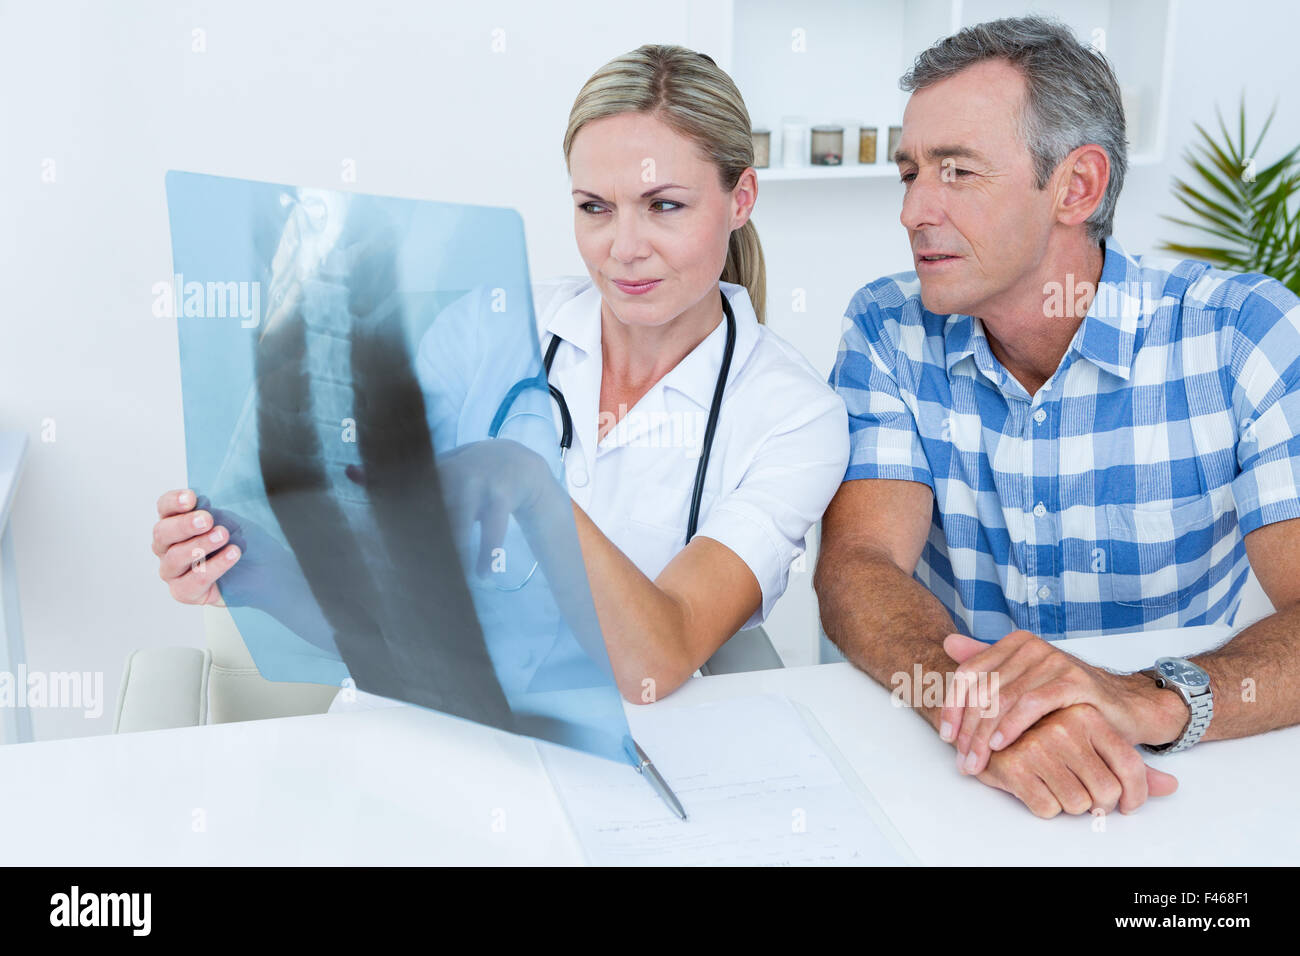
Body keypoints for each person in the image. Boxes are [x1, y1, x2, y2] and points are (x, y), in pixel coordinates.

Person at [151, 44, 849, 706]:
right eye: (594, 209)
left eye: (665, 206)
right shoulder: (490, 327)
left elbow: (655, 663)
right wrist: (250, 570)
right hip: (428, 724)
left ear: (742, 197)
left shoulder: (792, 414)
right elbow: (379, 604)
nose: (624, 249)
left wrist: (531, 484)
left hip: (633, 758)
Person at [816, 15, 1300, 818]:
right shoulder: (887, 328)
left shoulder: (1242, 335)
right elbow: (858, 566)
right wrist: (981, 706)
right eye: (909, 173)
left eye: (958, 171)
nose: (913, 210)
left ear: (1077, 186)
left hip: (1174, 779)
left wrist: (1143, 700)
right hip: (965, 765)